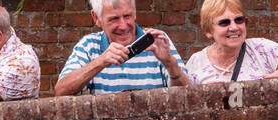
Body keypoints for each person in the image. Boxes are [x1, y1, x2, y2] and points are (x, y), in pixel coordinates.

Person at [54, 0, 190, 96]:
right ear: (96, 18)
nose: (123, 26)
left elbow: (189, 95)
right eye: (114, 19)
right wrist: (100, 62)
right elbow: (60, 91)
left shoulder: (157, 40)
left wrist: (170, 64)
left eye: (127, 16)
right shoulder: (89, 45)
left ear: (135, 12)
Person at [186, 2, 278, 82]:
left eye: (239, 20)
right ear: (208, 31)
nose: (234, 27)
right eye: (224, 22)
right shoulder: (196, 62)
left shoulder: (262, 49)